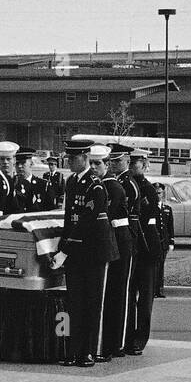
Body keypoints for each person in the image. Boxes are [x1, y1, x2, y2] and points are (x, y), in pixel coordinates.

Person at [51, 140, 116, 367]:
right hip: (76, 251)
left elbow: (87, 221)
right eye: (68, 158)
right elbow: (69, 219)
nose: (69, 162)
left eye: (74, 158)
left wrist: (65, 250)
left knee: (92, 302)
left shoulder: (95, 186)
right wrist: (62, 247)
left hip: (94, 252)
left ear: (85, 158)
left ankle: (88, 351)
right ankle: (72, 350)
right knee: (73, 303)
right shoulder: (71, 182)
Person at [123, 148, 160, 355]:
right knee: (127, 295)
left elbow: (150, 222)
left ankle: (140, 338)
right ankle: (126, 335)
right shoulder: (126, 185)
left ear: (144, 164)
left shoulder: (148, 189)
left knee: (144, 299)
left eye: (136, 161)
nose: (132, 165)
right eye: (131, 161)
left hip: (146, 249)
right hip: (131, 249)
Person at [99, 144, 134, 359]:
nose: (113, 164)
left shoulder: (125, 185)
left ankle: (118, 342)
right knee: (111, 293)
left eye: (116, 160)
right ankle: (111, 341)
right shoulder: (110, 184)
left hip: (121, 239)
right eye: (110, 160)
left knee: (120, 294)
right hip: (113, 240)